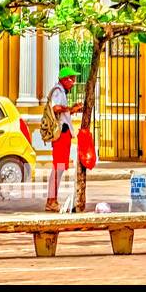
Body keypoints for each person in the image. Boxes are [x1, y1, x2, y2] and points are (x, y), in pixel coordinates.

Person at [44, 68, 82, 212]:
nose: (74, 83)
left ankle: (52, 199)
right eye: (72, 79)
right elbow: (56, 108)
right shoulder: (58, 91)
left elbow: (63, 111)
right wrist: (69, 108)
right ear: (65, 79)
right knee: (58, 168)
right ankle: (51, 201)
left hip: (64, 135)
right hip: (61, 135)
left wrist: (73, 109)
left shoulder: (61, 92)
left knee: (59, 168)